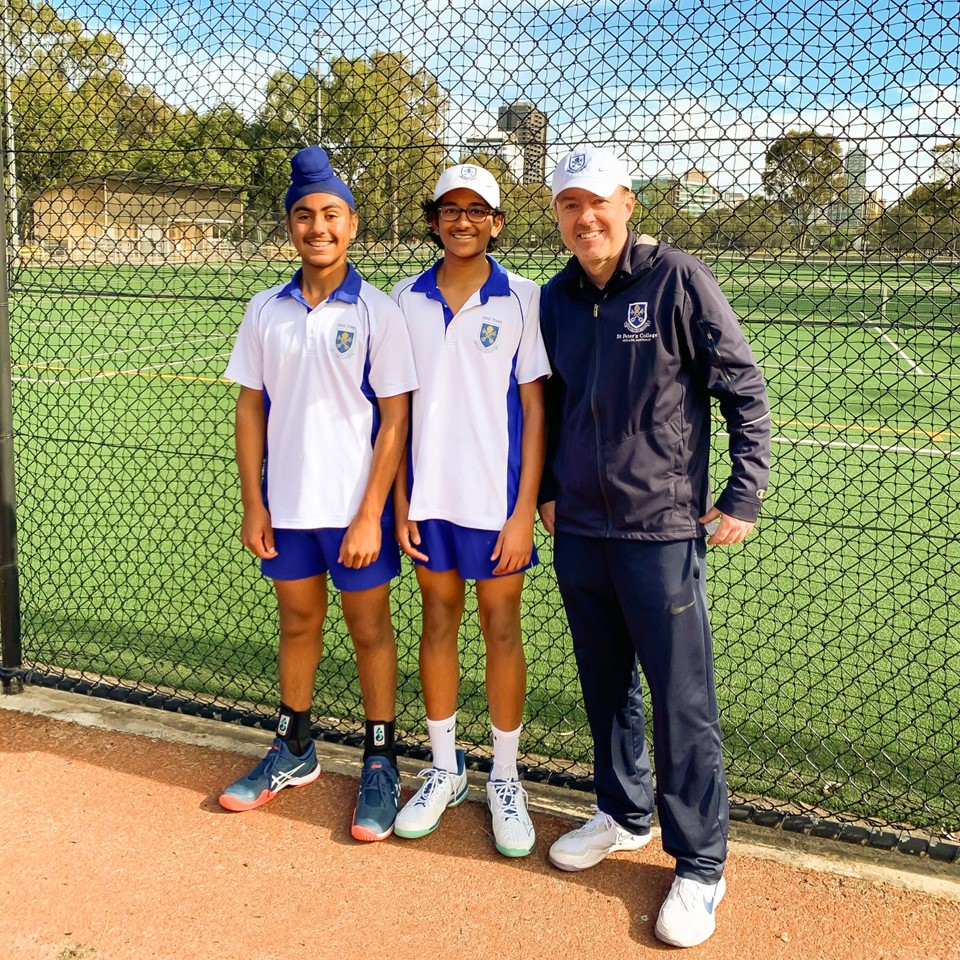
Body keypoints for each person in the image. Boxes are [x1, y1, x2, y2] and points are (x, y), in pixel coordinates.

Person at [538, 146, 770, 947]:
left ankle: (702, 863)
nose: (584, 219)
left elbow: (742, 384)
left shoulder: (676, 277)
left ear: (627, 204)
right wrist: (545, 493)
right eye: (569, 205)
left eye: (596, 202)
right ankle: (623, 812)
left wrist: (743, 491)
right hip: (583, 531)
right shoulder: (556, 296)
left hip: (661, 531)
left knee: (680, 703)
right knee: (605, 688)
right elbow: (555, 403)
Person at [219, 146, 418, 843]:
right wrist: (254, 503)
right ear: (290, 227)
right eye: (304, 216)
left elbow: (396, 417)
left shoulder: (376, 311)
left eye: (331, 214)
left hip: (353, 515)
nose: (317, 228)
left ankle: (380, 761)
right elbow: (251, 409)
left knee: (369, 631)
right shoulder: (265, 310)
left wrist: (370, 513)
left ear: (353, 224)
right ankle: (295, 749)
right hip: (290, 510)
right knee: (297, 624)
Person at [390, 164, 550, 857]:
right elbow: (391, 408)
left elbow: (538, 413)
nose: (462, 220)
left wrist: (522, 513)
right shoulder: (402, 300)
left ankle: (505, 777)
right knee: (437, 621)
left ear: (496, 222)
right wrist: (399, 501)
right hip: (428, 501)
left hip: (496, 503)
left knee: (501, 625)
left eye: (476, 210)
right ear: (433, 221)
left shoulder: (523, 298)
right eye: (449, 209)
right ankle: (446, 768)